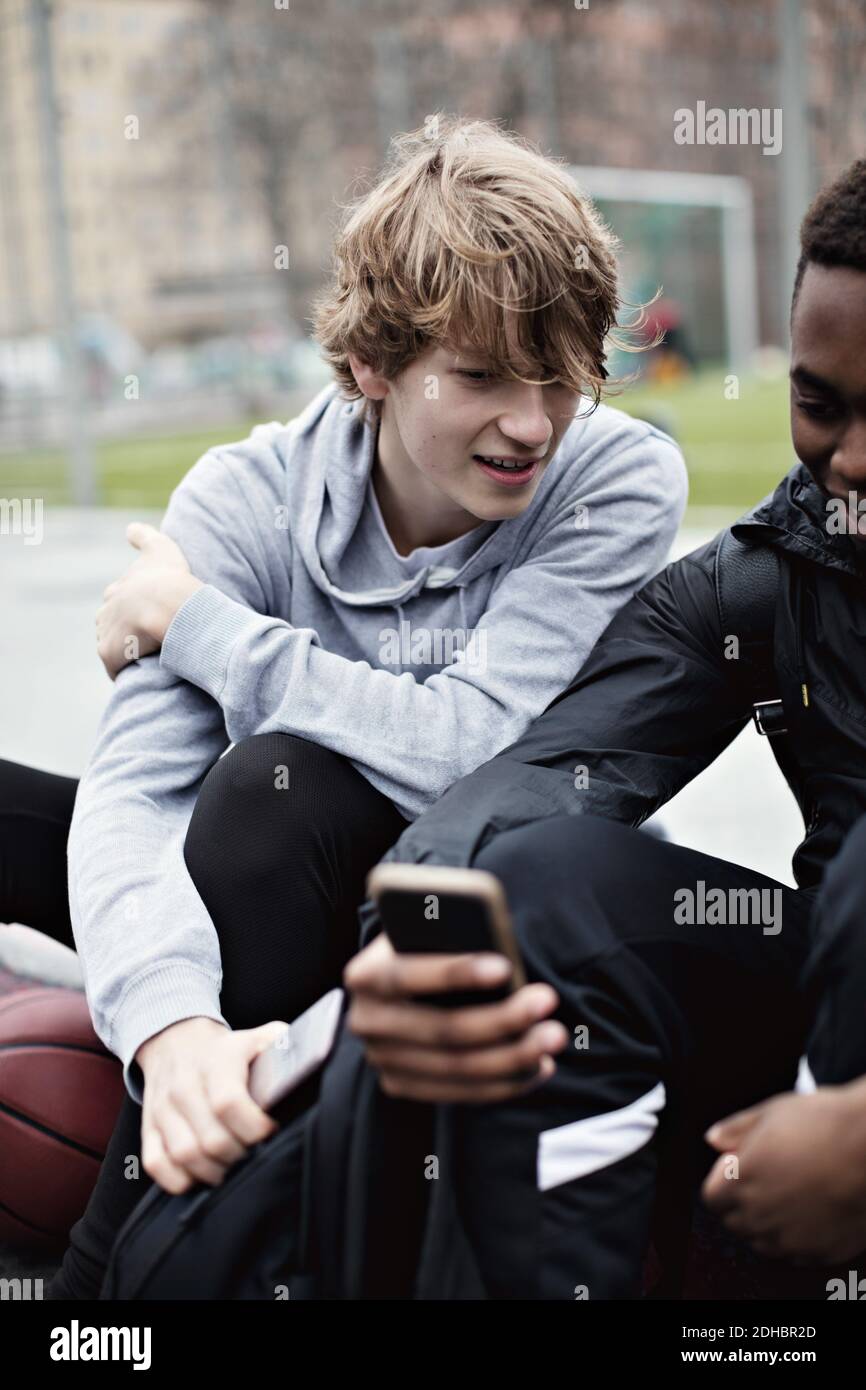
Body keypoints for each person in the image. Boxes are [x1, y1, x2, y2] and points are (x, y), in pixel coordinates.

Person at [0, 114, 687, 1299]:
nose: (530, 422)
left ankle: (102, 1289)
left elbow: (477, 753)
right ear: (371, 364)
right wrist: (173, 1040)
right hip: (260, 895)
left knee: (275, 787)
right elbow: (128, 800)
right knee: (136, 809)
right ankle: (167, 1089)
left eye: (557, 377)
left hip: (487, 907)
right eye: (479, 377)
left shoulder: (614, 475)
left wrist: (203, 628)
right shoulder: (243, 500)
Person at [341, 156, 866, 1297]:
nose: (853, 461)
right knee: (543, 886)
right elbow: (543, 773)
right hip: (824, 1016)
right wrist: (407, 943)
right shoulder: (768, 581)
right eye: (821, 404)